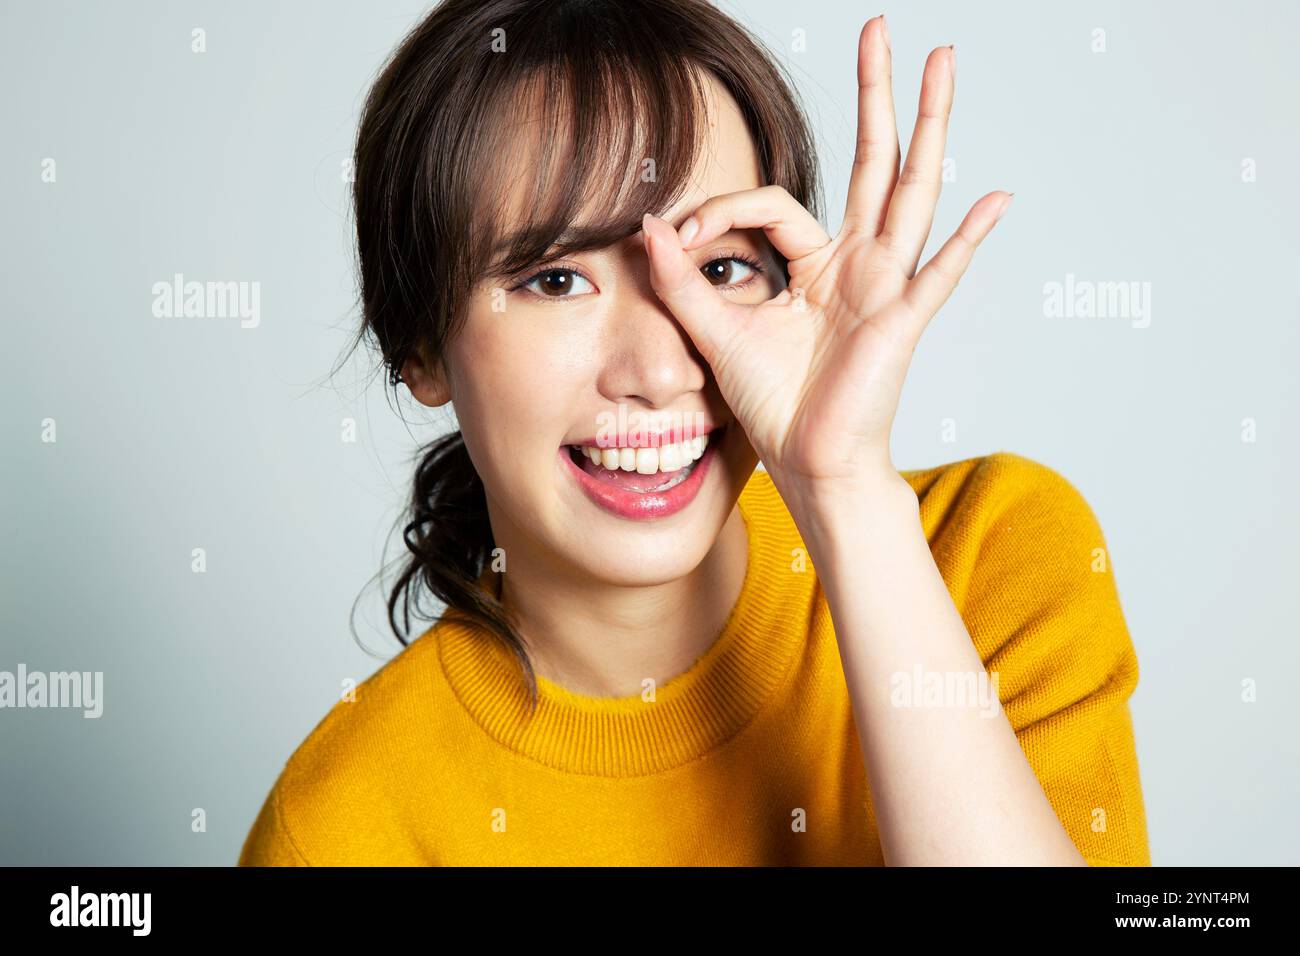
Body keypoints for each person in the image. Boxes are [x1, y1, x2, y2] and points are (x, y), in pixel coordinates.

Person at [239, 0, 1150, 866]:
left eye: (717, 265)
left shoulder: (991, 560)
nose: (660, 369)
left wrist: (844, 496)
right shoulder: (342, 824)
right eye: (556, 280)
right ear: (419, 343)